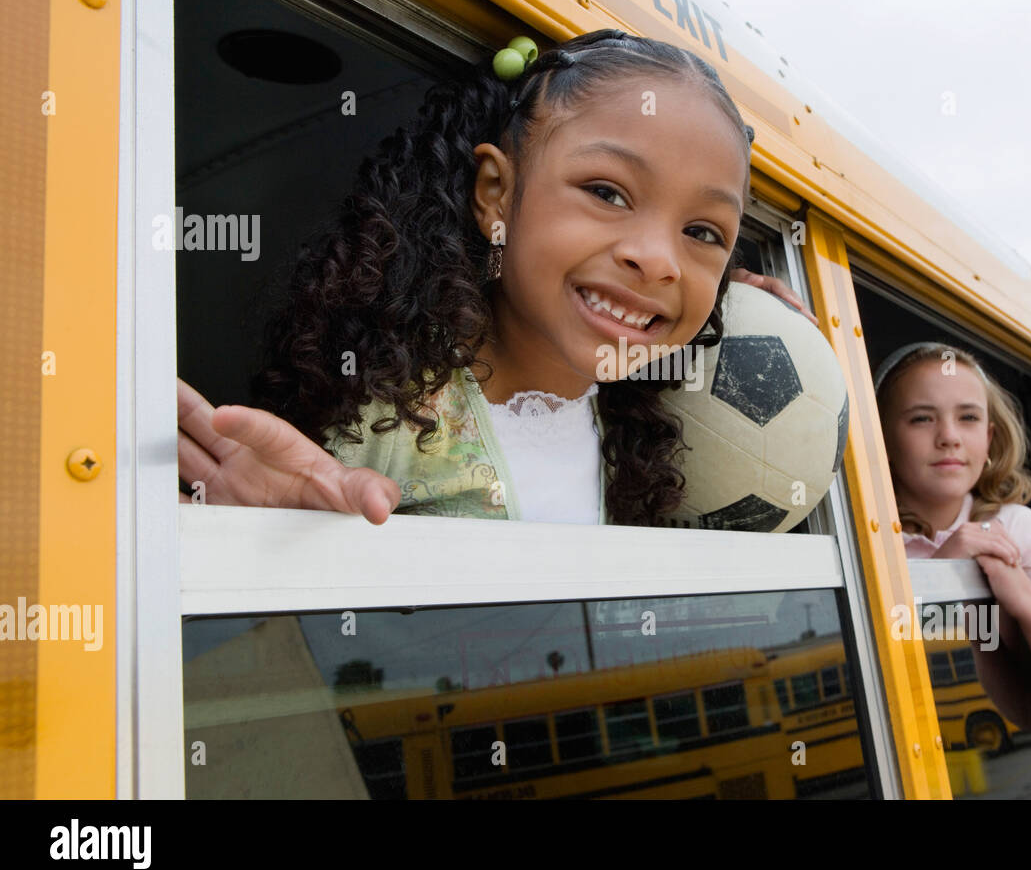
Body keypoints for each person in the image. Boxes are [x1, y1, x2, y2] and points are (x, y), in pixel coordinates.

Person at [177, 29, 815, 528]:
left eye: (703, 233)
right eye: (607, 192)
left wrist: (721, 301)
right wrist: (272, 544)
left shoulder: (642, 437)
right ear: (495, 194)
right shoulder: (378, 430)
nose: (658, 260)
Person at [874, 341, 1031, 728]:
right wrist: (943, 575)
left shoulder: (1016, 529)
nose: (949, 436)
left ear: (989, 438)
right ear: (882, 437)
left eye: (967, 418)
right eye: (921, 419)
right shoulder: (866, 538)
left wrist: (1024, 604)